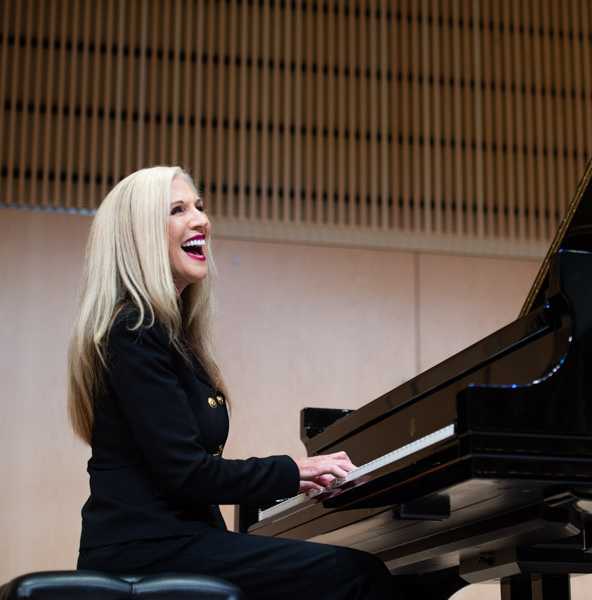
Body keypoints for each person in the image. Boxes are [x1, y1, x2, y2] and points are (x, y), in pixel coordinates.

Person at [67, 167, 465, 599]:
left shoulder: (166, 335)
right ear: (139, 236)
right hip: (145, 549)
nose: (201, 220)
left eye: (199, 207)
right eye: (177, 210)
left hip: (171, 542)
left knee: (390, 579)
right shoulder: (134, 330)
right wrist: (295, 470)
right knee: (354, 574)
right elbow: (187, 473)